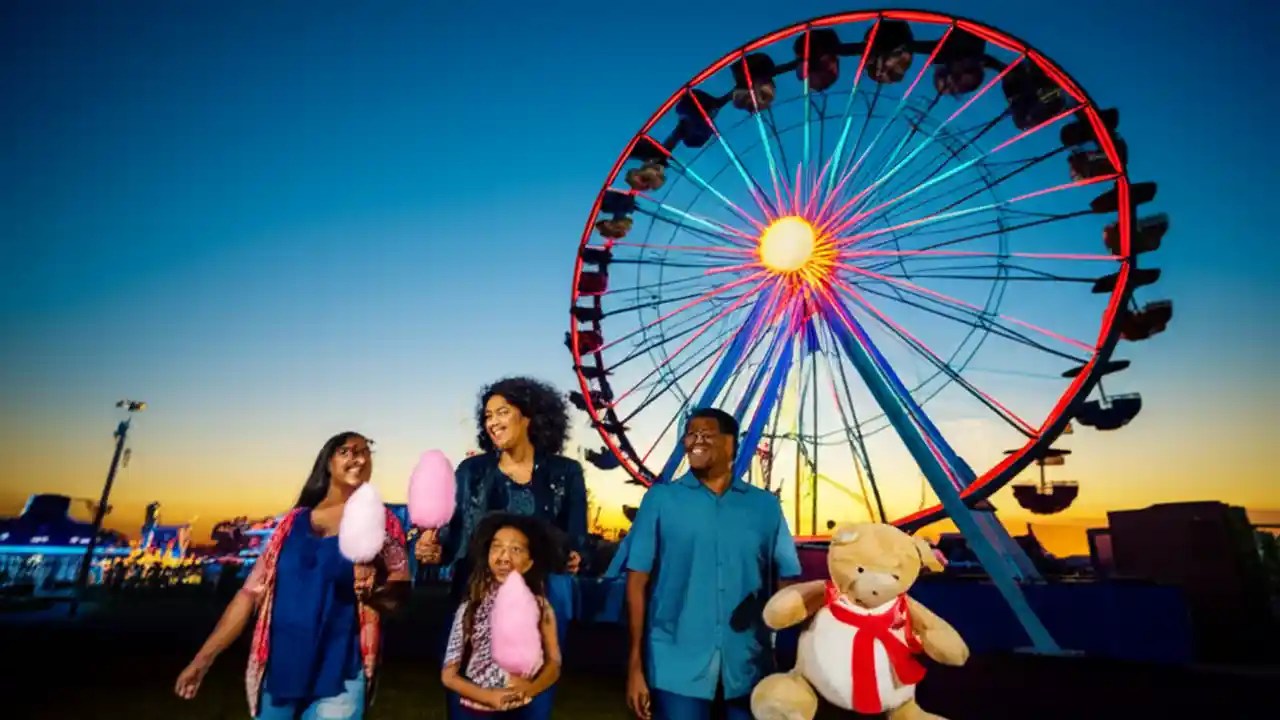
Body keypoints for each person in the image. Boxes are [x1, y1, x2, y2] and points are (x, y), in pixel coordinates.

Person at [175, 432, 410, 720]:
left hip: (342, 676)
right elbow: (249, 594)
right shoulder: (291, 524)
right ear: (327, 462)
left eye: (365, 452)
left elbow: (400, 592)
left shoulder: (382, 522)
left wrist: (373, 591)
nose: (358, 458)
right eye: (347, 451)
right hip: (279, 672)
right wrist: (202, 660)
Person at [623, 408, 802, 720]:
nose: (695, 442)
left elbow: (787, 578)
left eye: (706, 434)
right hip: (674, 662)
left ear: (732, 444)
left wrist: (781, 646)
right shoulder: (661, 500)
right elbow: (637, 581)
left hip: (748, 664)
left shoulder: (765, 507)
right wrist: (635, 666)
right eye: (690, 435)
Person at [416, 376, 587, 647]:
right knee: (465, 685)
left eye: (503, 412)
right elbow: (456, 539)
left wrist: (576, 557)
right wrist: (433, 550)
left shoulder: (566, 473)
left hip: (539, 602)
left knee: (530, 684)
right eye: (488, 416)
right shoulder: (471, 471)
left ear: (529, 417)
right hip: (474, 597)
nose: (493, 422)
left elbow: (577, 539)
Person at [443, 512, 562, 718]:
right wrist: (487, 696)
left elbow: (554, 664)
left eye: (515, 550)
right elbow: (448, 676)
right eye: (497, 547)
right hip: (474, 711)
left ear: (529, 563)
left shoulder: (540, 608)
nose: (504, 557)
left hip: (521, 709)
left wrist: (529, 690)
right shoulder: (471, 607)